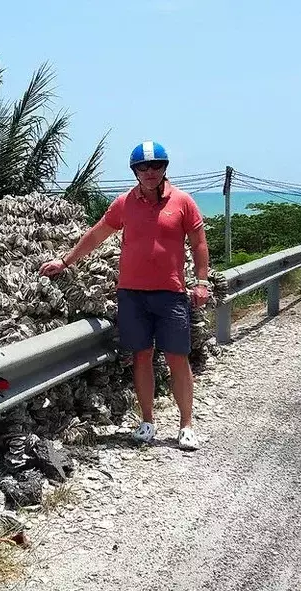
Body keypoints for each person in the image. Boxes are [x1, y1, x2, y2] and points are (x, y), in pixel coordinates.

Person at [39, 141, 211, 450]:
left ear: (164, 168)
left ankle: (186, 424)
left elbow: (199, 243)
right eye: (143, 167)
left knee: (177, 358)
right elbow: (97, 234)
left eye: (155, 166)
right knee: (141, 357)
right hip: (132, 295)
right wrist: (65, 261)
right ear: (134, 171)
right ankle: (147, 421)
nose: (149, 172)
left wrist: (202, 282)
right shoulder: (124, 203)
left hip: (171, 294)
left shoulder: (183, 201)